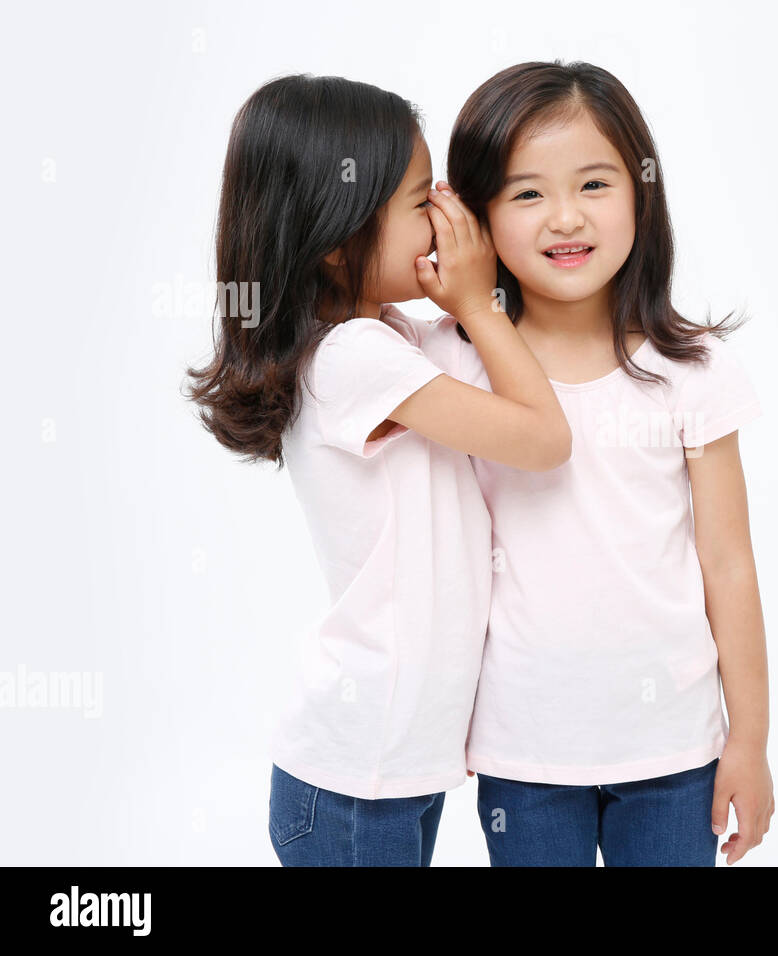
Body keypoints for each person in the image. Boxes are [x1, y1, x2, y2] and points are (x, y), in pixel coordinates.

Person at [184, 73, 570, 866]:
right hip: (356, 780)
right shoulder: (356, 357)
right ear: (335, 239)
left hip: (386, 769)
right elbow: (543, 439)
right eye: (422, 201)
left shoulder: (386, 335)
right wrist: (478, 306)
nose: (443, 220)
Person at [431, 60, 774, 866]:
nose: (564, 218)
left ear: (640, 194)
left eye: (594, 184)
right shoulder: (454, 364)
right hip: (523, 753)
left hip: (675, 754)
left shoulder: (692, 371)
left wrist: (749, 741)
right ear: (477, 218)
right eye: (525, 193)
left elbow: (729, 563)